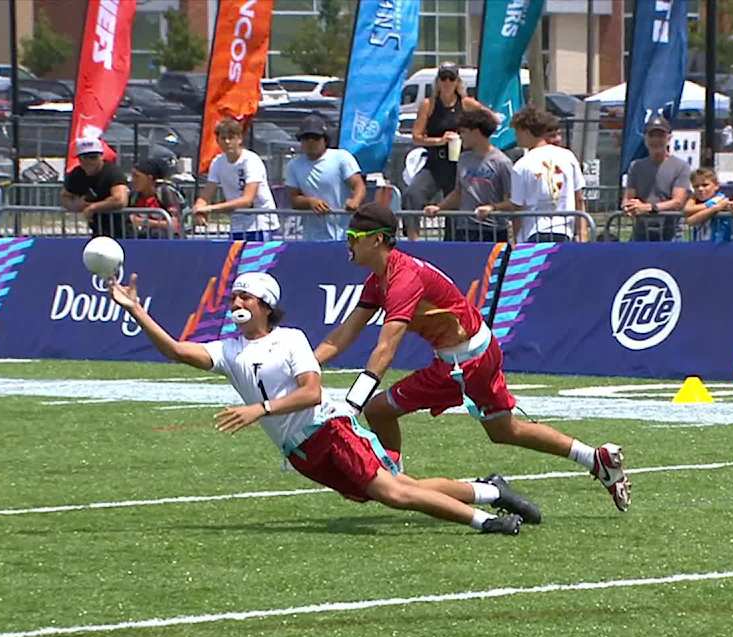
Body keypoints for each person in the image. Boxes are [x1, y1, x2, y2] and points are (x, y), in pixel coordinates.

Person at [105, 269, 537, 535]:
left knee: (396, 493)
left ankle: (485, 522)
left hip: (328, 431)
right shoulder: (229, 350)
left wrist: (261, 409)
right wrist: (136, 311)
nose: (236, 302)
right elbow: (178, 352)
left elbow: (312, 392)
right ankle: (488, 490)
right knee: (396, 491)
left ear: (265, 305)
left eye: (245, 297)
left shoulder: (290, 340)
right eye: (234, 296)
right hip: (300, 453)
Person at [314, 203, 632, 513]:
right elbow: (343, 334)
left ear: (377, 239)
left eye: (354, 236)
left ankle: (393, 478)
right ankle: (594, 458)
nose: (348, 243)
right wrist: (307, 366)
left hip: (463, 363)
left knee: (377, 409)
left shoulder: (402, 279)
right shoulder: (380, 279)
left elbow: (385, 349)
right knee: (504, 430)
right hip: (476, 350)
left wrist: (352, 404)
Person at [404, 62, 492, 240]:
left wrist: (472, 138)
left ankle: (451, 244)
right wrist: (439, 140)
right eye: (443, 78)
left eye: (451, 78)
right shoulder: (428, 105)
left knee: (454, 207)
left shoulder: (466, 104)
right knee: (413, 194)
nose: (447, 82)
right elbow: (416, 136)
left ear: (457, 82)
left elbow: (491, 119)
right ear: (438, 81)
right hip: (435, 161)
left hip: (459, 162)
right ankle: (414, 240)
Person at [473, 106, 587, 242]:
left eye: (517, 132)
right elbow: (579, 198)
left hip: (534, 234)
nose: (516, 137)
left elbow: (517, 209)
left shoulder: (522, 165)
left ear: (526, 131)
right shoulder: (568, 156)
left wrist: (516, 240)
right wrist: (583, 232)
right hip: (565, 232)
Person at [423, 108, 513, 243]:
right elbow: (459, 193)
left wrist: (492, 208)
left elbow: (512, 202)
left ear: (476, 132)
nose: (461, 136)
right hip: (465, 229)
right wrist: (439, 207)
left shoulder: (502, 162)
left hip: (492, 231)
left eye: (463, 132)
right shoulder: (463, 159)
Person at [193, 118, 281, 241]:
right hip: (237, 227)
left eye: (231, 137)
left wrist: (210, 209)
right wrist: (199, 209)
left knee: (257, 260)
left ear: (239, 139)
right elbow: (206, 194)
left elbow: (247, 200)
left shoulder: (251, 160)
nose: (227, 141)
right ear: (217, 141)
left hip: (262, 225)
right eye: (223, 138)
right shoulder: (217, 162)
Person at [284, 114, 365, 242]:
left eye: (315, 137)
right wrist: (310, 202)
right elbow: (294, 199)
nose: (310, 141)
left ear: (325, 139)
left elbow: (358, 185)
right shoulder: (293, 165)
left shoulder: (341, 157)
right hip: (312, 238)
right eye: (306, 137)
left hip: (345, 234)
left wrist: (355, 201)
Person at [622, 115, 691, 241]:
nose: (656, 140)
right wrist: (629, 207)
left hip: (671, 235)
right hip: (641, 234)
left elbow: (678, 202)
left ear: (669, 138)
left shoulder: (681, 166)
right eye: (652, 135)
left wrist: (649, 208)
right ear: (645, 138)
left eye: (660, 136)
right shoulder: (636, 166)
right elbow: (628, 199)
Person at [60, 137, 130, 239]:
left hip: (123, 230)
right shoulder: (76, 174)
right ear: (79, 159)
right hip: (97, 229)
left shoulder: (113, 172)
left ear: (101, 156)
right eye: (84, 157)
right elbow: (65, 197)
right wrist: (77, 205)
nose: (89, 161)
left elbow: (120, 200)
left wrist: (93, 208)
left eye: (93, 157)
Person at [128, 157, 184, 238]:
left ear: (149, 178)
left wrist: (143, 222)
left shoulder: (165, 192)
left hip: (166, 241)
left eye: (137, 176)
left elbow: (175, 224)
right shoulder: (134, 196)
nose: (133, 180)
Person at [684, 167, 732, 244]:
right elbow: (687, 210)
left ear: (716, 185)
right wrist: (715, 208)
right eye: (696, 186)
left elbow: (691, 221)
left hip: (720, 245)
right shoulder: (696, 200)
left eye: (705, 185)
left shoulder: (720, 199)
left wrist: (714, 208)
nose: (700, 189)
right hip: (700, 246)